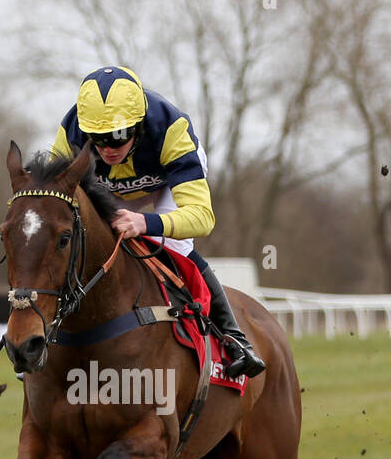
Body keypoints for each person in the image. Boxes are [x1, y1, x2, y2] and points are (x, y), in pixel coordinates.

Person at [51, 66, 266, 378]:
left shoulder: (171, 128)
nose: (108, 149)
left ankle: (234, 337)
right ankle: (46, 332)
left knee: (176, 245)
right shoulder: (71, 131)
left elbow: (202, 218)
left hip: (164, 183)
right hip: (107, 191)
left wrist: (146, 223)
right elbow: (51, 202)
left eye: (118, 137)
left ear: (138, 128)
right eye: (97, 139)